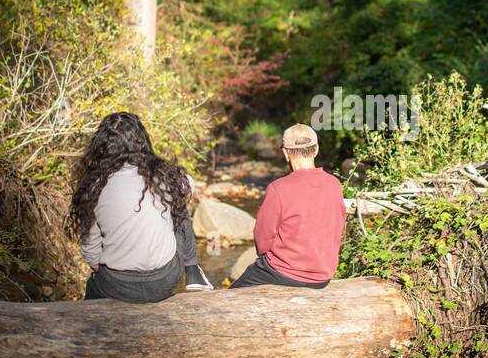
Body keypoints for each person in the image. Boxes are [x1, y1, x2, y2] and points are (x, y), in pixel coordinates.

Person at [67, 111, 213, 303]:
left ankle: (89, 324)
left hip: (116, 285)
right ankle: (193, 270)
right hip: (164, 280)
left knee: (93, 285)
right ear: (141, 141)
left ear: (101, 147)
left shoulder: (93, 187)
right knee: (179, 207)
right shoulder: (162, 175)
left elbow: (91, 252)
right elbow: (189, 186)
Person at [230, 122, 346, 290]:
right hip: (323, 275)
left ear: (285, 153)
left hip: (284, 273)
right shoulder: (334, 184)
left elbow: (263, 239)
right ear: (316, 149)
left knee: (232, 295)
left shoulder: (279, 188)